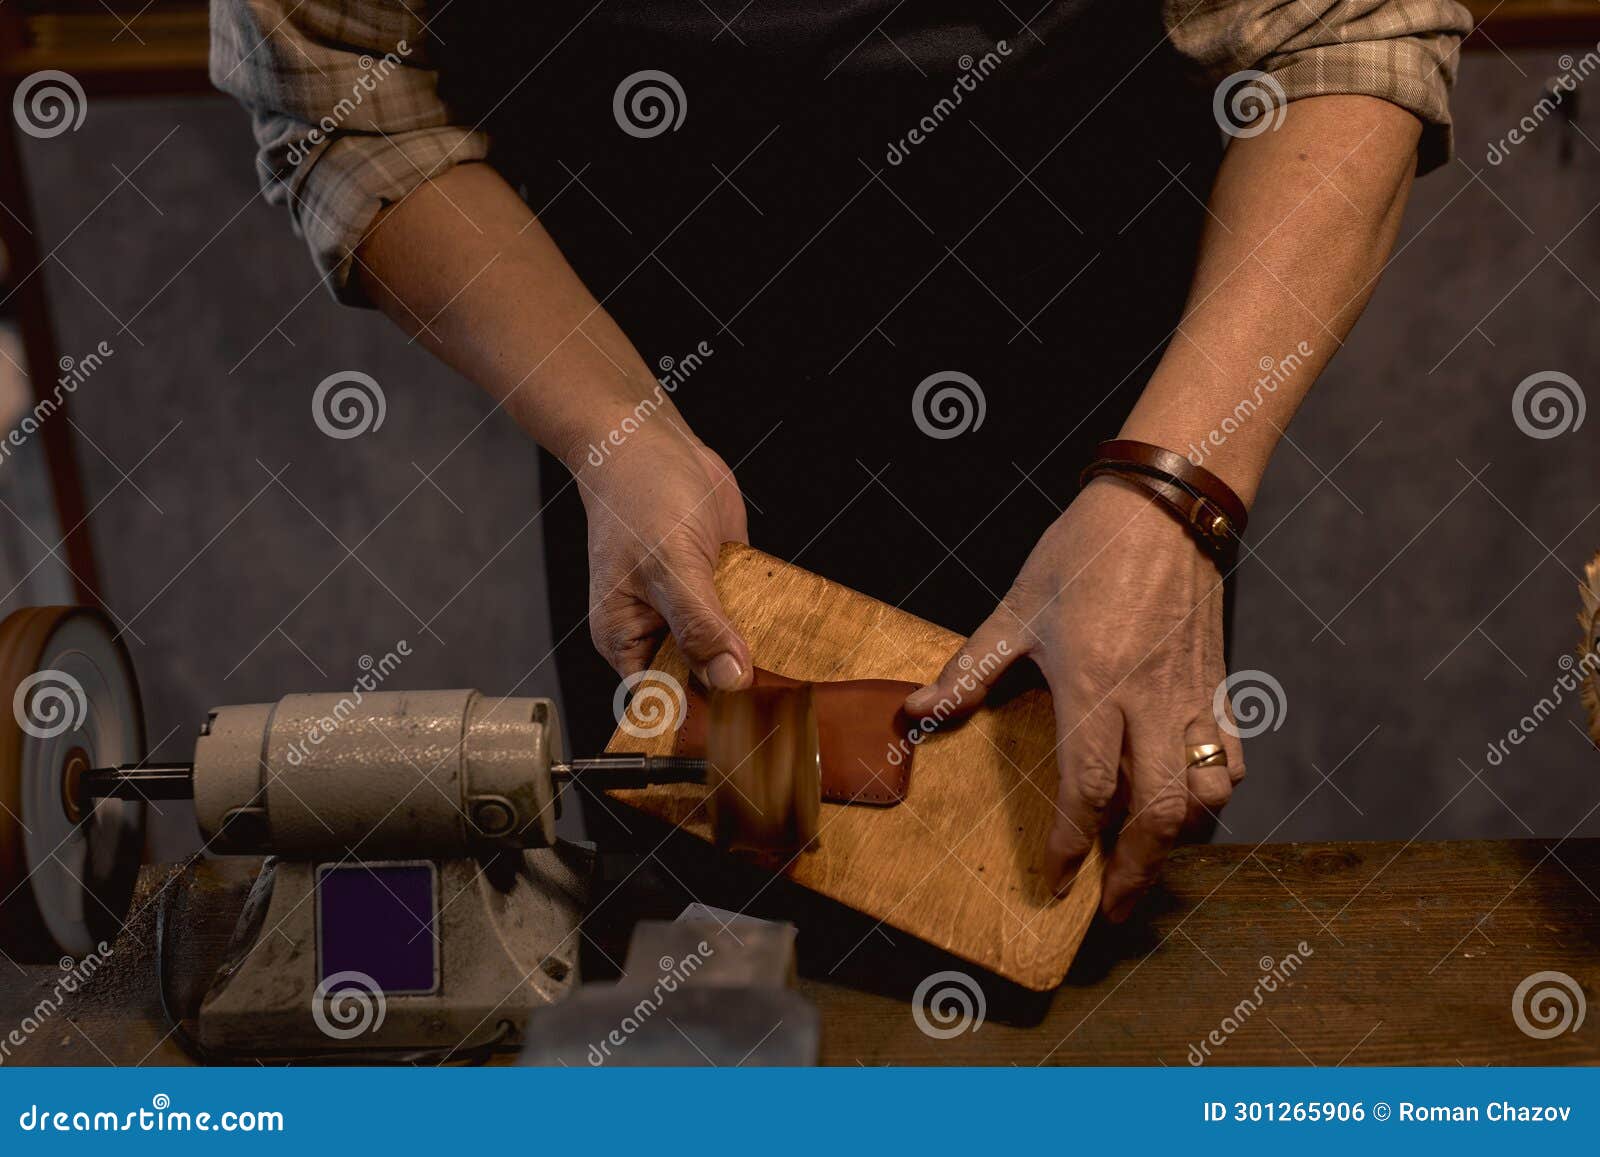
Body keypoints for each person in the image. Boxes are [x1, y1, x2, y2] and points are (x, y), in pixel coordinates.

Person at [213, 0, 1472, 922]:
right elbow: (344, 92)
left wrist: (1172, 485)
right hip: (682, 459)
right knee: (727, 939)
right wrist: (617, 433)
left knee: (1048, 917)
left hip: (1094, 451)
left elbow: (1351, 35)